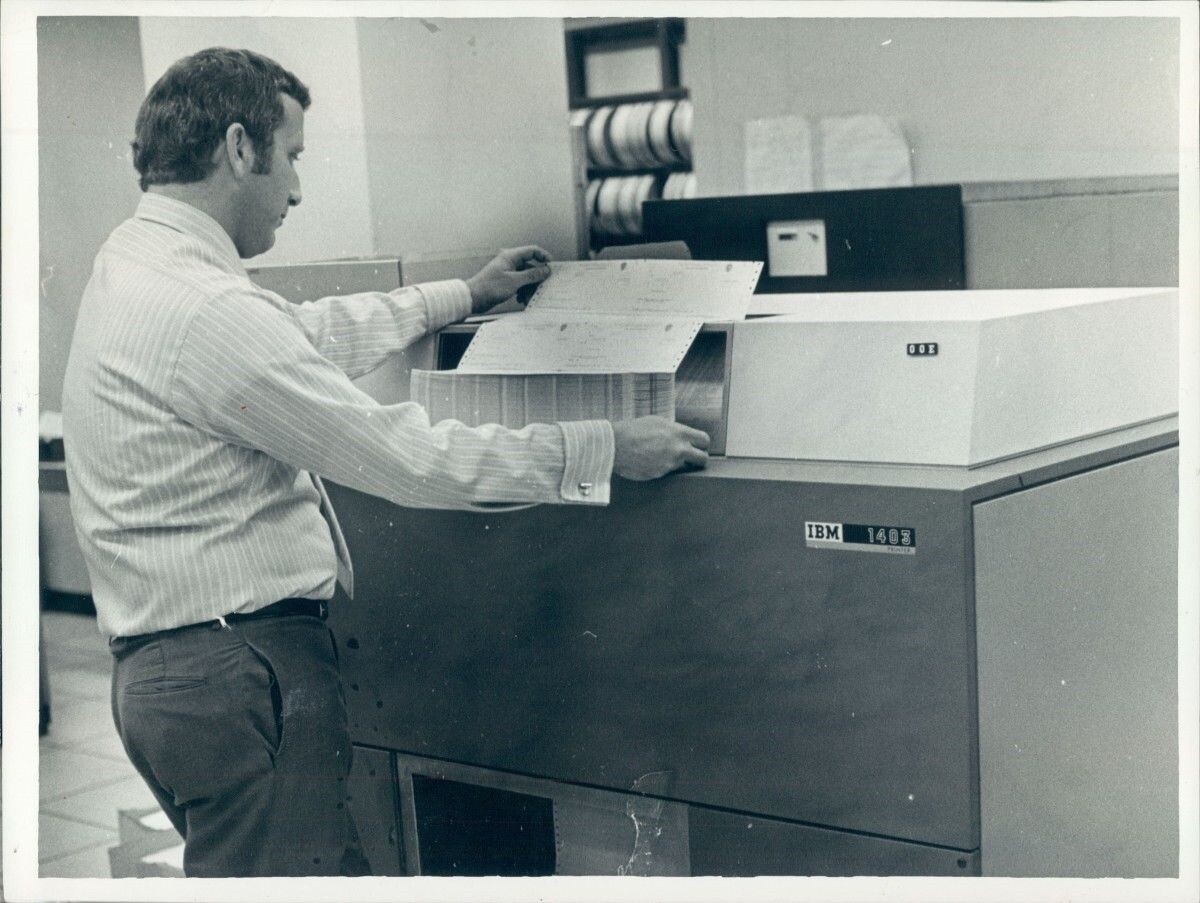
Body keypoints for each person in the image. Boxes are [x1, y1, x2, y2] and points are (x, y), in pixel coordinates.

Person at [61, 47, 709, 878]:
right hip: (239, 674)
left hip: (173, 675)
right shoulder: (207, 307)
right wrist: (605, 447)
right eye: (290, 157)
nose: (295, 189)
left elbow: (299, 339)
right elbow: (407, 459)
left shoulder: (136, 263)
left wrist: (463, 294)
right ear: (237, 148)